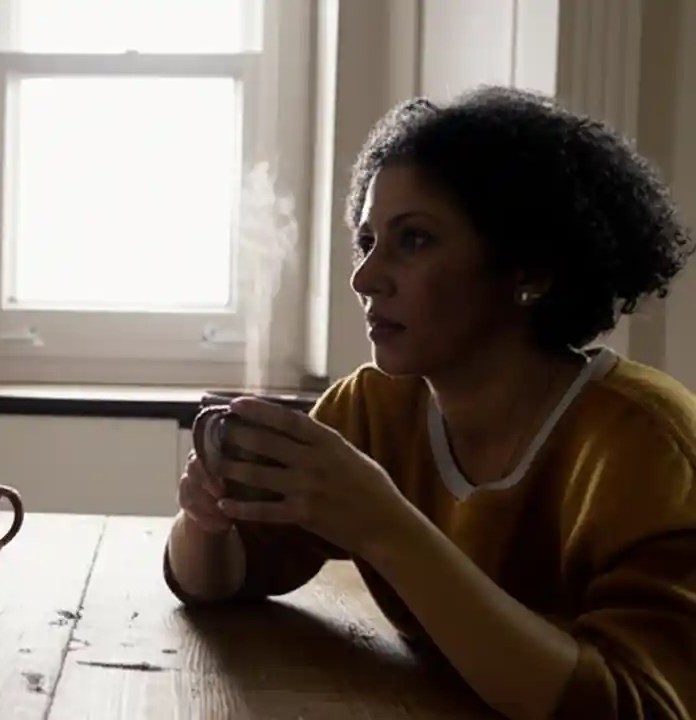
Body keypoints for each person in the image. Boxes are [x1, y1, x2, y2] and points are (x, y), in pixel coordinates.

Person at [165, 86, 696, 719]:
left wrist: (385, 526)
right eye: (367, 242)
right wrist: (207, 520)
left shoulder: (645, 445)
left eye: (413, 240)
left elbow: (637, 707)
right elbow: (225, 580)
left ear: (530, 271)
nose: (365, 278)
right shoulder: (373, 407)